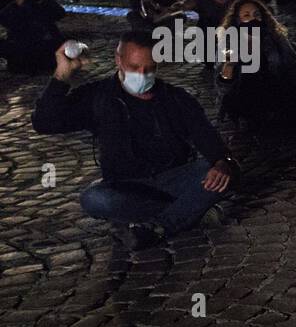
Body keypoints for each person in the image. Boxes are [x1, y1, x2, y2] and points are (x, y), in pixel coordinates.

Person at [31, 30, 236, 249]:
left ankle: (157, 225)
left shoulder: (175, 98)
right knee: (95, 199)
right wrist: (62, 76)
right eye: (134, 67)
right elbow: (45, 123)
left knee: (229, 173)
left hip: (174, 179)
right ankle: (189, 211)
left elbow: (207, 138)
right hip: (126, 185)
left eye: (149, 68)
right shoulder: (98, 96)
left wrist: (221, 163)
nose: (142, 74)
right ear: (118, 60)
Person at [215, 0, 296, 129]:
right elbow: (222, 86)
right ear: (238, 21)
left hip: (277, 92)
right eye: (246, 15)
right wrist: (230, 66)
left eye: (256, 14)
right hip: (244, 99)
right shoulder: (229, 42)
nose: (253, 18)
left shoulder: (274, 37)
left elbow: (292, 66)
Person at [0, 0, 66, 74]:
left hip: (30, 56)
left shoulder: (37, 3)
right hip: (44, 54)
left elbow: (60, 13)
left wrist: (22, 0)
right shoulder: (13, 6)